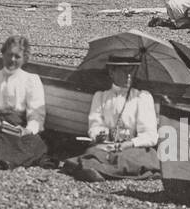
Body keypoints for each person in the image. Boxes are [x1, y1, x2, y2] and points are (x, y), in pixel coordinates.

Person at [62, 53, 160, 181]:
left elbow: (150, 136)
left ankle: (99, 171)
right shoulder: (101, 96)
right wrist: (104, 135)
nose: (129, 75)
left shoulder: (142, 97)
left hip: (134, 148)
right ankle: (103, 170)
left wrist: (129, 144)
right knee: (93, 153)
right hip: (107, 146)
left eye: (132, 70)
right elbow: (94, 126)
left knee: (130, 158)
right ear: (111, 72)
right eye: (124, 71)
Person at [0, 35, 48, 169]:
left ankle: (5, 160)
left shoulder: (32, 80)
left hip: (20, 127)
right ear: (2, 54)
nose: (12, 60)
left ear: (24, 58)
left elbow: (37, 113)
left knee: (34, 143)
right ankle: (2, 159)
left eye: (17, 56)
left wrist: (28, 130)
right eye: (9, 55)